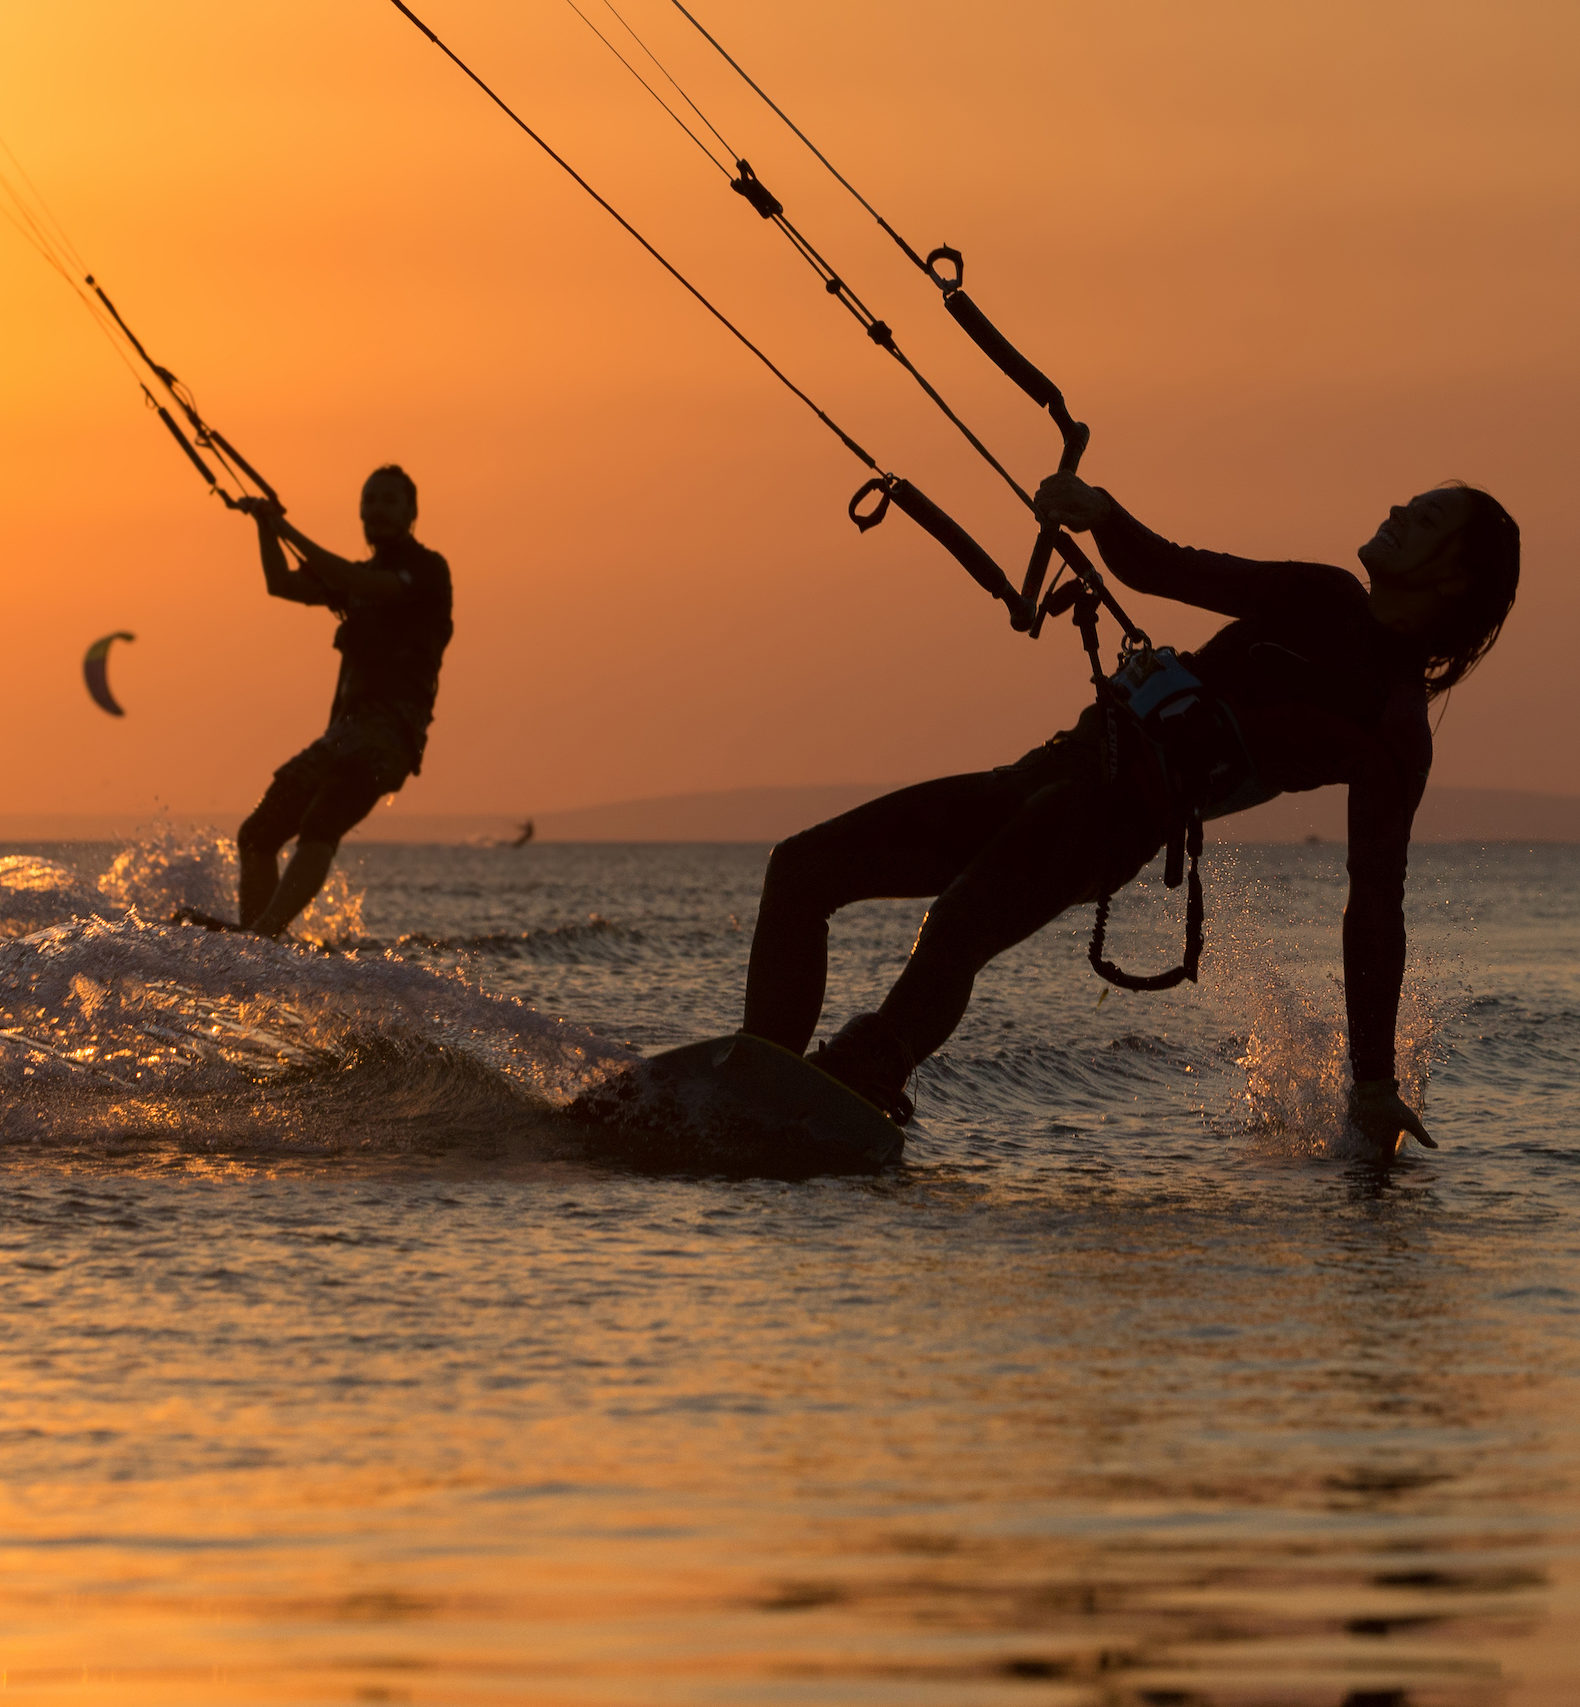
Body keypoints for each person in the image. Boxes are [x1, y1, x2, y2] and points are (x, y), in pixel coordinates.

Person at [741, 475, 1520, 1154]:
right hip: (1055, 768)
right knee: (803, 868)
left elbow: (1376, 902)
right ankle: (745, 1083)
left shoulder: (1392, 727)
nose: (1396, 510)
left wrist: (1374, 1078)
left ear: (1454, 579)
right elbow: (1169, 569)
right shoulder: (1322, 595)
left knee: (956, 928)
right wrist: (1099, 511)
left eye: (1423, 521)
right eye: (1410, 504)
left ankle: (837, 1092)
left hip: (1110, 822)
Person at [223, 465, 452, 936]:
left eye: (390, 500)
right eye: (370, 501)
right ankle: (257, 946)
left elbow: (362, 583)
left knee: (320, 823)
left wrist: (287, 527)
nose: (378, 510)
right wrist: (267, 528)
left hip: (390, 736)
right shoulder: (357, 575)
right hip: (343, 734)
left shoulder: (427, 571)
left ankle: (265, 935)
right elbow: (280, 583)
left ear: (412, 512)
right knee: (257, 834)